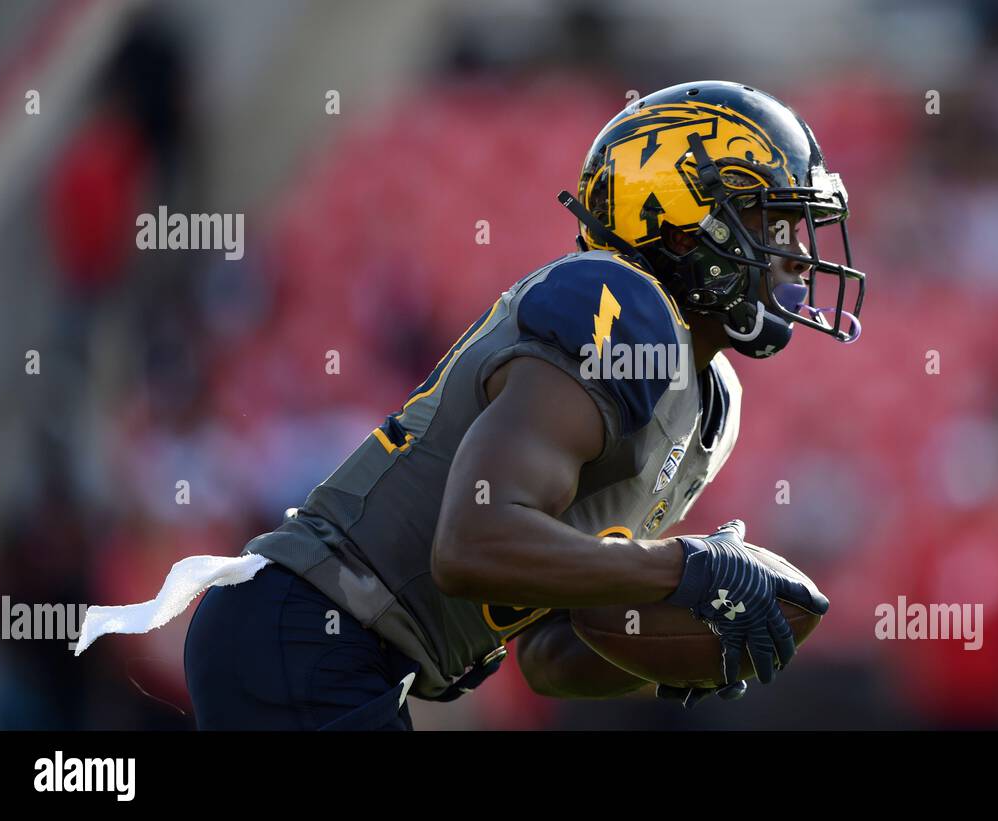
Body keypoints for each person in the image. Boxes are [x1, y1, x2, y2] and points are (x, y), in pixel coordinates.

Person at [77, 81, 866, 729]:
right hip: (308, 626)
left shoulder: (707, 402)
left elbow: (551, 653)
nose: (794, 251)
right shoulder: (618, 306)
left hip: (352, 654)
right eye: (769, 217)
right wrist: (684, 567)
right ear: (683, 222)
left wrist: (680, 642)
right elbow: (474, 542)